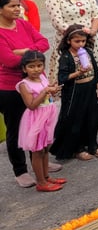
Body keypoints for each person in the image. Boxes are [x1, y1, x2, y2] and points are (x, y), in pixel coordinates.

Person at [0, 0, 51, 188]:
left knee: (38, 125)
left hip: (36, 84)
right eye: (12, 6)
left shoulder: (22, 24)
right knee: (17, 128)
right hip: (10, 88)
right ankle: (20, 170)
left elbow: (44, 43)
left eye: (18, 5)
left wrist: (22, 51)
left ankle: (39, 163)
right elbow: (9, 61)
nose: (17, 9)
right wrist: (32, 51)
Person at [51, 25, 98, 161]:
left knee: (92, 119)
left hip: (90, 89)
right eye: (77, 41)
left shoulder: (87, 52)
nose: (81, 44)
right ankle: (78, 148)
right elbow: (62, 78)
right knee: (77, 120)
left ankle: (93, 144)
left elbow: (96, 72)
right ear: (69, 41)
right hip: (76, 93)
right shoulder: (66, 57)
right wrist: (78, 72)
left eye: (83, 41)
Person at [45, 0, 98, 82]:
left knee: (94, 72)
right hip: (69, 41)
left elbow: (96, 15)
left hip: (91, 38)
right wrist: (79, 35)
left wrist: (92, 32)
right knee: (72, 74)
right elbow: (58, 22)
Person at [16, 50, 62, 192]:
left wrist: (52, 90)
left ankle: (46, 176)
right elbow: (31, 105)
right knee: (37, 151)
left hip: (48, 116)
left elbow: (47, 94)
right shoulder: (24, 84)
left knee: (45, 149)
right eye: (31, 66)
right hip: (36, 120)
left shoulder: (42, 77)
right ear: (24, 68)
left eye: (39, 65)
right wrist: (44, 92)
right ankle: (41, 182)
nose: (36, 69)